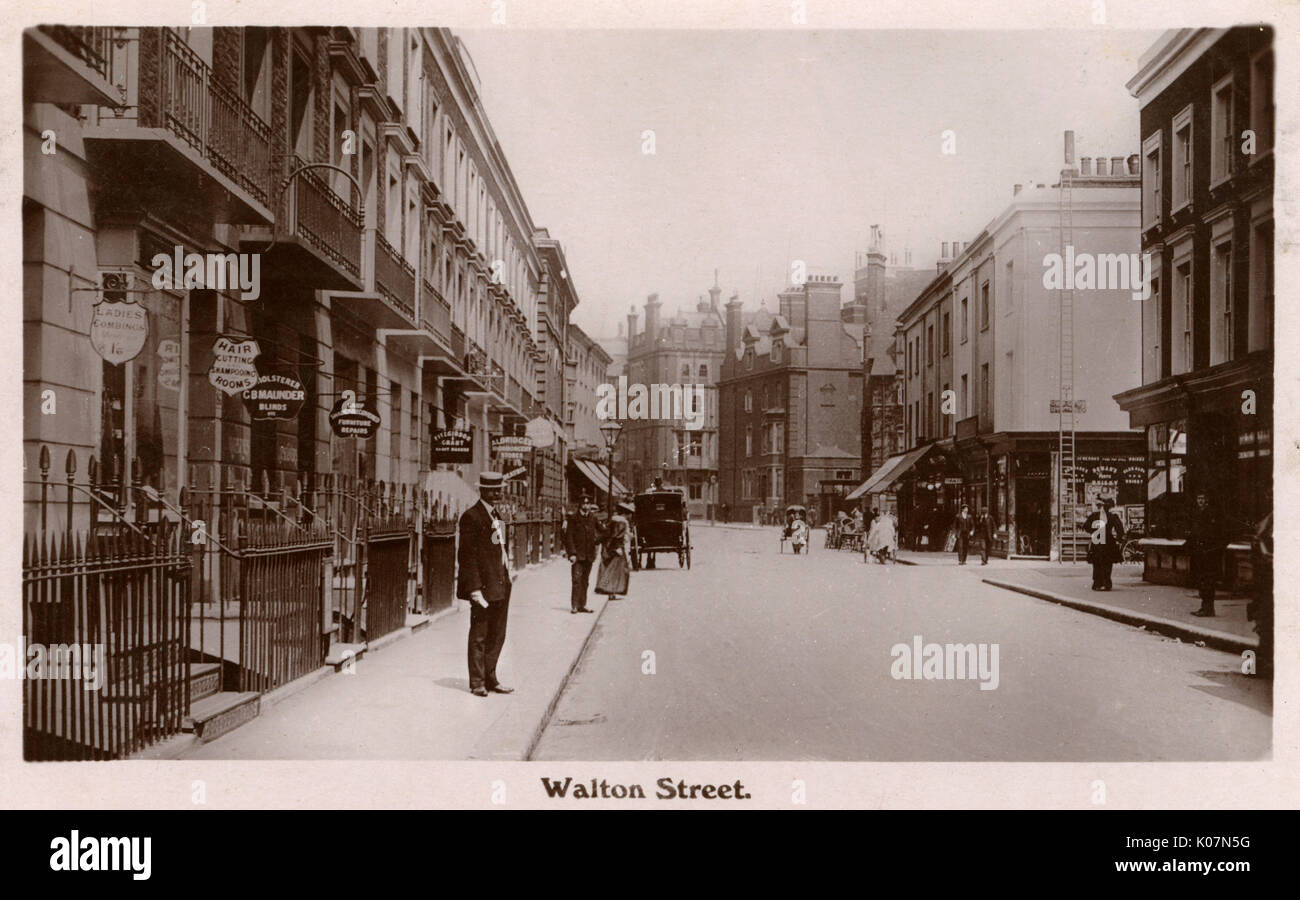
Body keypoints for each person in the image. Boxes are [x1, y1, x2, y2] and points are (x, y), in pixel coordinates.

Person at [457, 471, 515, 697]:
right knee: (480, 635)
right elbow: (467, 557)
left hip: (500, 584)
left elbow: (498, 549)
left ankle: (491, 678)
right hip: (483, 588)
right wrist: (474, 589)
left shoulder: (497, 516)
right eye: (493, 490)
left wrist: (508, 571)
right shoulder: (471, 517)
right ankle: (478, 682)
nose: (498, 493)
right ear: (482, 490)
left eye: (499, 489)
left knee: (497, 634)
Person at [1187, 491, 1224, 617]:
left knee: (1208, 580)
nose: (1200, 501)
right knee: (1202, 580)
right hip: (1201, 552)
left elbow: (1212, 533)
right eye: (1198, 498)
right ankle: (1204, 607)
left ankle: (1208, 608)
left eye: (1203, 498)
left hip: (1208, 552)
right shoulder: (1198, 513)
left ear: (1207, 500)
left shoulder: (1210, 513)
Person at [563, 494, 602, 615]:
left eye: (588, 503)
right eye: (584, 503)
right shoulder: (573, 518)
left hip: (589, 555)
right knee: (576, 580)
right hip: (577, 555)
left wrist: (598, 540)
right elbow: (568, 537)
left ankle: (582, 605)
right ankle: (574, 605)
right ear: (580, 505)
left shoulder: (593, 518)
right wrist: (572, 553)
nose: (586, 505)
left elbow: (602, 531)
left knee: (585, 581)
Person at [1247, 512, 1273, 677]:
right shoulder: (1270, 520)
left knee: (1266, 622)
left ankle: (1259, 665)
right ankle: (1260, 665)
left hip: (1269, 579)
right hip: (1267, 580)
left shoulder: (1270, 520)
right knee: (1266, 623)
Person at [1084, 498, 1124, 590]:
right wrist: (1119, 539)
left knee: (1097, 562)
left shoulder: (1094, 516)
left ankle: (1097, 583)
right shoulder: (1112, 516)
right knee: (1107, 563)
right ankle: (1106, 583)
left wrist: (1094, 532)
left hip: (1097, 540)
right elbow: (1119, 529)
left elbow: (1086, 526)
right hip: (1108, 541)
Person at [595, 507, 632, 600]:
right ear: (625, 514)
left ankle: (608, 590)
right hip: (617, 548)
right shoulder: (622, 523)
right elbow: (617, 536)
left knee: (609, 569)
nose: (630, 516)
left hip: (609, 548)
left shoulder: (612, 521)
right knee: (616, 571)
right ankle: (611, 590)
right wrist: (617, 547)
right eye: (630, 514)